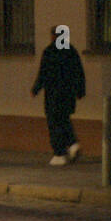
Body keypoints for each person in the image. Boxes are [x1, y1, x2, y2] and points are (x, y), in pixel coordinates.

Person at [31, 26, 86, 165]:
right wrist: (80, 91)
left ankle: (60, 153)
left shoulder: (49, 51)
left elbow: (43, 73)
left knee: (54, 123)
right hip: (68, 94)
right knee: (64, 119)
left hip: (53, 94)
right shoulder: (71, 51)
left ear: (54, 36)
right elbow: (79, 72)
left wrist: (36, 89)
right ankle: (73, 144)